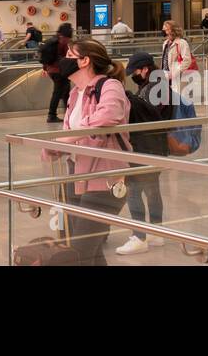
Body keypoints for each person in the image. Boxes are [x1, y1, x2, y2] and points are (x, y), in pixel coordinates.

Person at [44, 39, 130, 266]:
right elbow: (69, 134)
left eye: (70, 56)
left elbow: (108, 116)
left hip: (106, 178)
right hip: (77, 176)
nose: (64, 61)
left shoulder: (110, 86)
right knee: (88, 252)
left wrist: (66, 140)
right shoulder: (75, 94)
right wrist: (57, 149)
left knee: (80, 250)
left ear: (85, 61)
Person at [117, 52, 171, 256]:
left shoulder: (154, 88)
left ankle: (139, 236)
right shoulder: (158, 84)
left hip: (146, 146)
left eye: (136, 71)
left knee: (134, 190)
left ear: (145, 69)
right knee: (152, 189)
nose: (134, 75)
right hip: (156, 146)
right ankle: (156, 232)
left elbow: (145, 118)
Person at [41, 22, 73, 123]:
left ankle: (69, 113)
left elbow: (47, 56)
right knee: (59, 92)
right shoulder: (63, 42)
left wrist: (45, 68)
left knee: (65, 92)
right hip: (60, 71)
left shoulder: (52, 40)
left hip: (51, 70)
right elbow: (67, 56)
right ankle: (52, 115)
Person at [159, 20, 194, 89]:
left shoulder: (181, 43)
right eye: (163, 29)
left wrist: (174, 73)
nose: (164, 31)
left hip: (178, 77)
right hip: (166, 77)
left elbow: (187, 61)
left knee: (178, 98)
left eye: (166, 29)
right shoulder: (165, 43)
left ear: (173, 30)